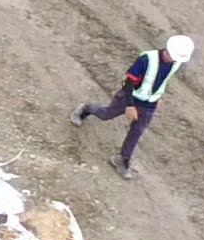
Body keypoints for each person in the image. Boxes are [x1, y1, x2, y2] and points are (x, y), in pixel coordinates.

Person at [76, 34, 194, 175]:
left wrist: (156, 98)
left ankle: (122, 159)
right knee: (106, 114)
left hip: (149, 104)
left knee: (137, 131)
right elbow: (128, 83)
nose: (174, 60)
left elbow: (162, 79)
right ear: (167, 49)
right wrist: (130, 106)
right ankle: (86, 109)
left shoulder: (176, 62)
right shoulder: (146, 59)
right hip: (129, 97)